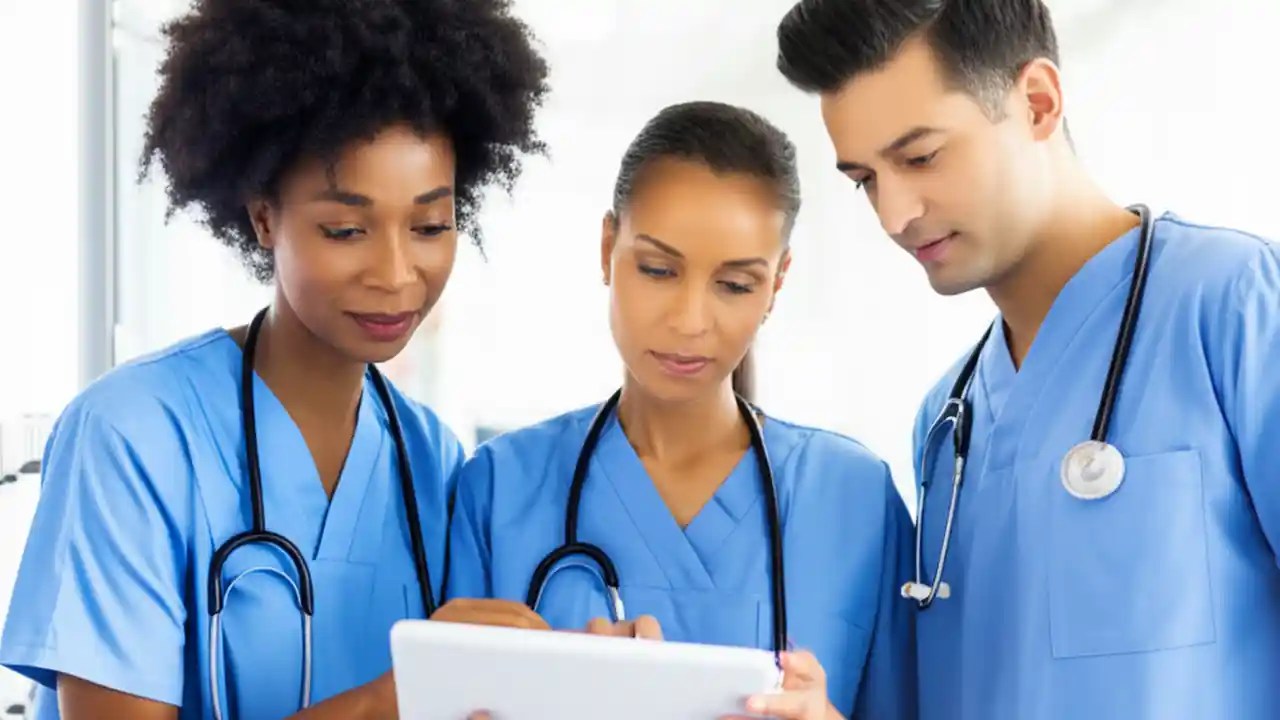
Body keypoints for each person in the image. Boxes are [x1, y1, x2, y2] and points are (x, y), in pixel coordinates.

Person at [0, 1, 552, 718]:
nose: (395, 274)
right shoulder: (131, 435)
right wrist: (390, 701)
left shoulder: (429, 460)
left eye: (429, 225)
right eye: (345, 229)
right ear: (264, 215)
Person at [776, 1, 1280, 718]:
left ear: (1038, 103)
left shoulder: (1235, 306)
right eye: (866, 179)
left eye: (920, 157)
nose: (894, 215)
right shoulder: (947, 422)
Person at [447, 100, 917, 720]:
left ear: (776, 284)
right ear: (608, 248)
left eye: (735, 285)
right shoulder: (500, 487)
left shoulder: (853, 497)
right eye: (658, 269)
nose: (691, 321)